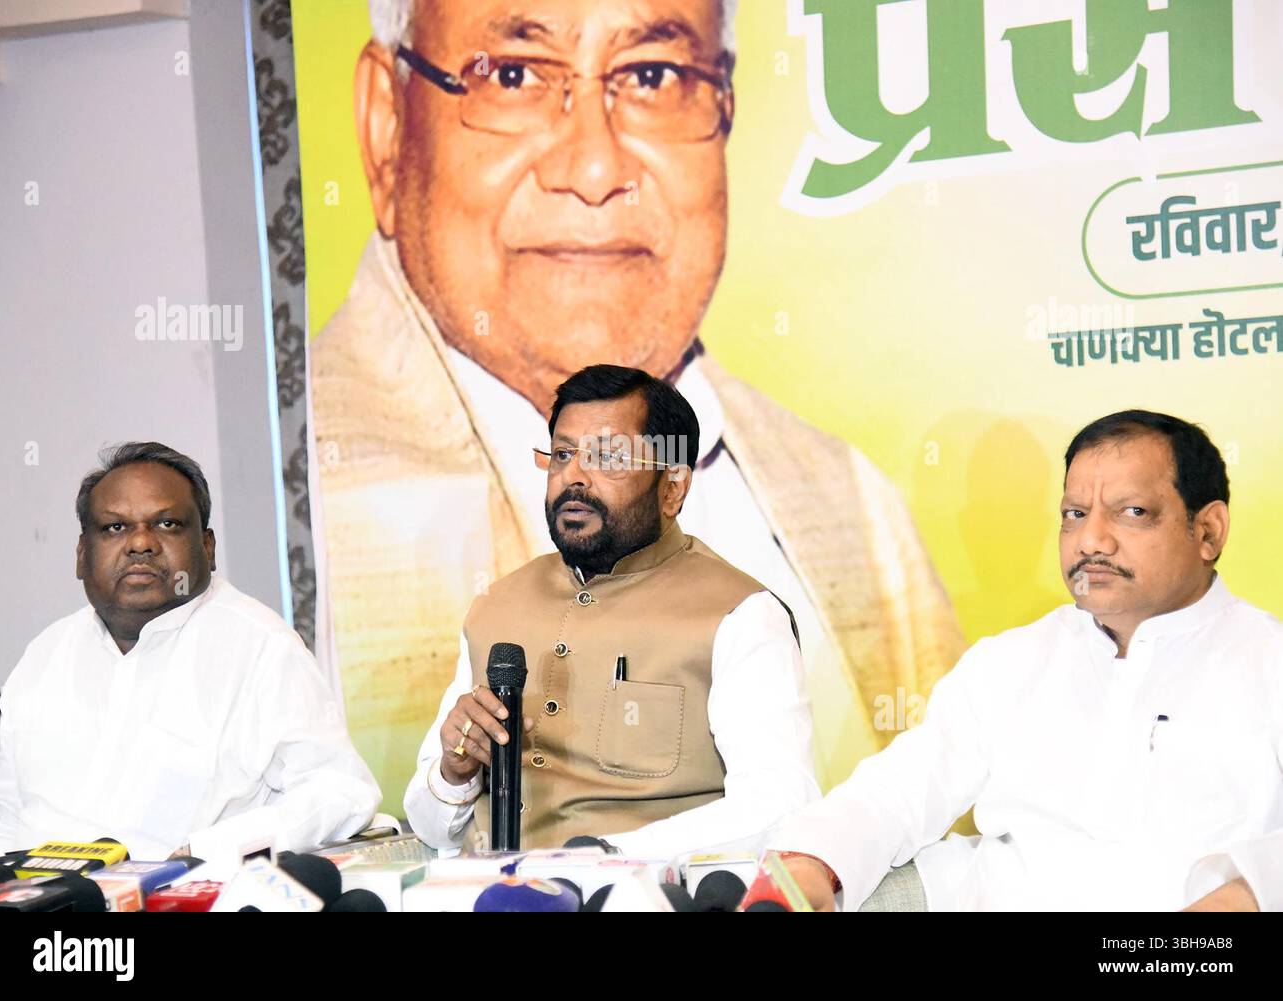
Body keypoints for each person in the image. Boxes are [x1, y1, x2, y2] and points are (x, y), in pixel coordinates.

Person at [310, 0, 964, 808]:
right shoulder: (300, 503)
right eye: (513, 75)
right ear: (384, 128)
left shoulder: (853, 508)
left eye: (652, 75)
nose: (592, 168)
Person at [775, 411, 1282, 911]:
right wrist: (813, 863)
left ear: (1209, 531)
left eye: (1132, 512)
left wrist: (1250, 891)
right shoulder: (1012, 661)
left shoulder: (1268, 662)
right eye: (1075, 514)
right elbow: (903, 787)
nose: (1091, 541)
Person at [403, 366, 819, 854]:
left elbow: (779, 805)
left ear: (672, 487)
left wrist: (610, 859)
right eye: (562, 454)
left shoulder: (740, 616)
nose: (574, 477)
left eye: (608, 457)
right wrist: (454, 774)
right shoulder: (496, 607)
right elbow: (431, 828)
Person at [0, 443, 381, 861]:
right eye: (115, 528)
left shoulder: (260, 647)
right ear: (82, 555)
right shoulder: (45, 655)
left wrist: (207, 850)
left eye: (167, 524)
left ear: (208, 548)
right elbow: (8, 815)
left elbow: (339, 789)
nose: (140, 543)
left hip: (182, 896)